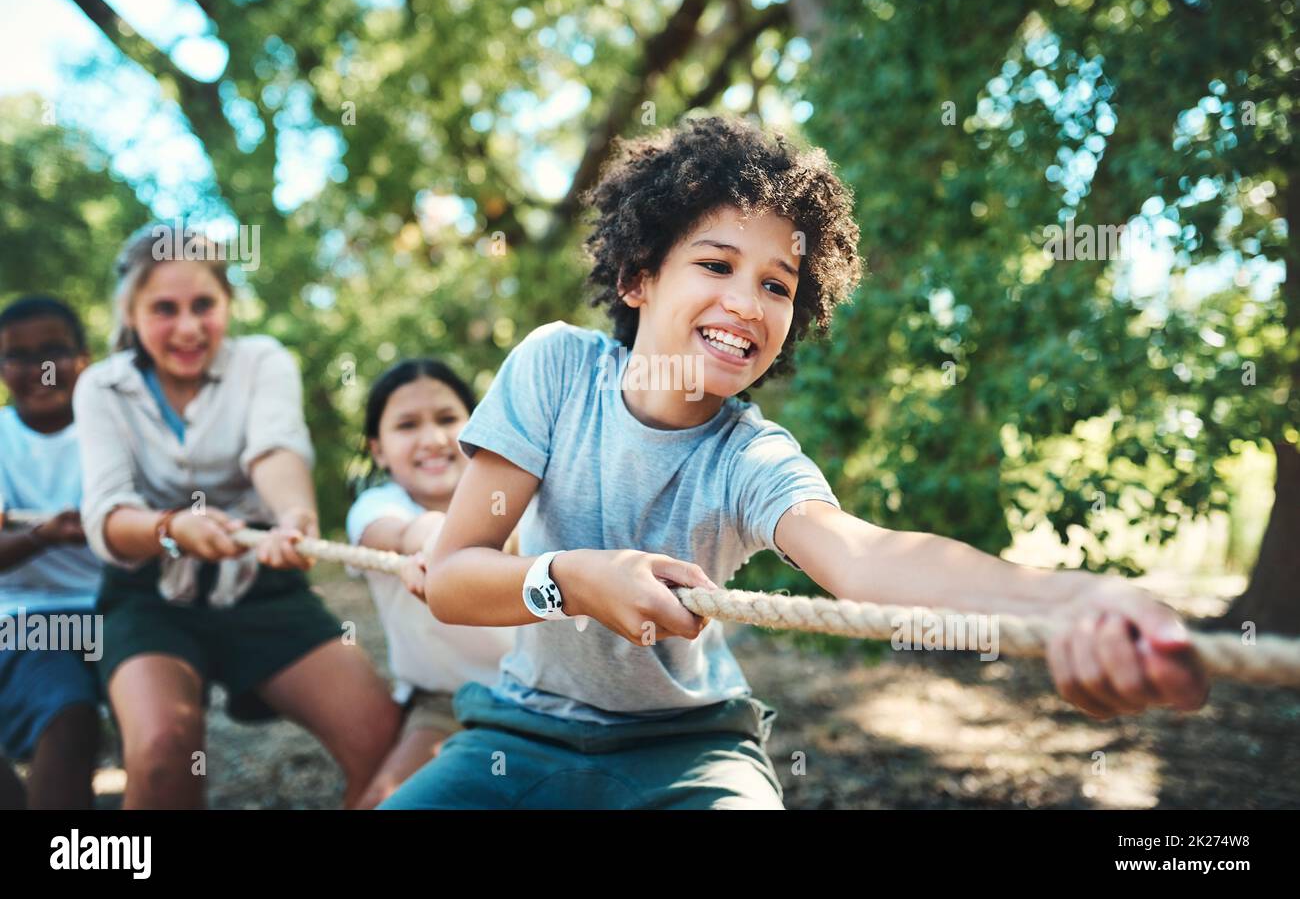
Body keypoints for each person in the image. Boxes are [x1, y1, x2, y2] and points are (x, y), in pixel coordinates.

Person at [382, 115, 1210, 810]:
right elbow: (455, 579)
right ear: (639, 277)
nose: (746, 303)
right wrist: (578, 577)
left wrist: (1074, 597)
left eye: (778, 285)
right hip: (519, 732)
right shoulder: (556, 370)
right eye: (715, 265)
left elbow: (866, 557)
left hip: (690, 752)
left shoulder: (749, 456)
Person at [74, 224, 400, 808]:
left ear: (227, 302)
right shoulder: (101, 387)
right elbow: (108, 512)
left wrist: (293, 514)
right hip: (148, 595)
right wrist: (171, 530)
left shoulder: (262, 361)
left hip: (261, 587)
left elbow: (274, 449)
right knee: (161, 750)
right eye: (164, 309)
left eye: (204, 304)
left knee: (383, 742)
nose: (189, 327)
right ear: (131, 314)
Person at [346, 358, 516, 808]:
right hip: (446, 705)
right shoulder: (377, 505)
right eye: (407, 425)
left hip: (543, 700)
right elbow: (393, 532)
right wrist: (435, 539)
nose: (433, 439)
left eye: (447, 419)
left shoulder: (514, 497)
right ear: (378, 449)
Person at [0, 297, 101, 809]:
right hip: (20, 617)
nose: (40, 368)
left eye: (54, 350)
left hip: (116, 609)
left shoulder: (113, 432)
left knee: (166, 711)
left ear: (84, 357)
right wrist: (44, 535)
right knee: (67, 712)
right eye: (18, 356)